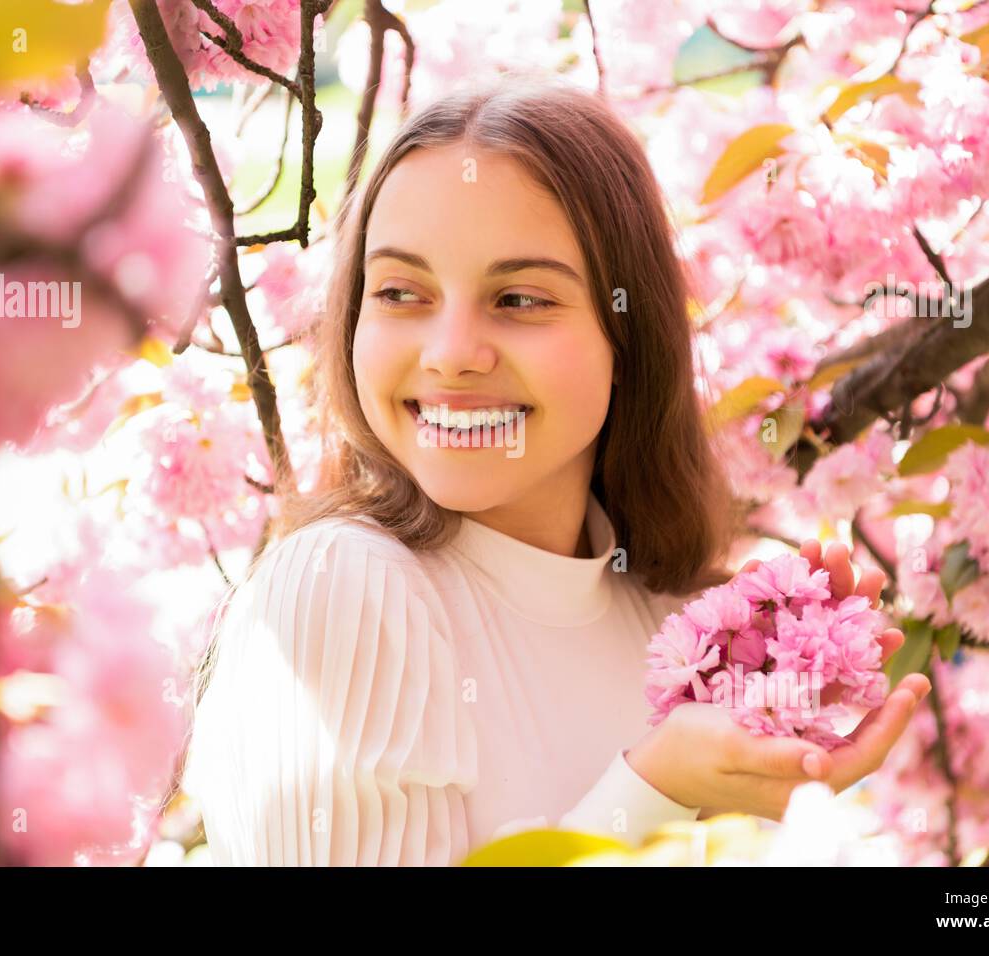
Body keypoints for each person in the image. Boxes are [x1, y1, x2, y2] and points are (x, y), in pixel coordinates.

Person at [184, 78, 932, 866]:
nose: (451, 353)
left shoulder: (668, 620)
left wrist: (757, 754)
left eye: (519, 299)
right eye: (402, 292)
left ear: (627, 333)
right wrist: (657, 791)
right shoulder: (345, 586)